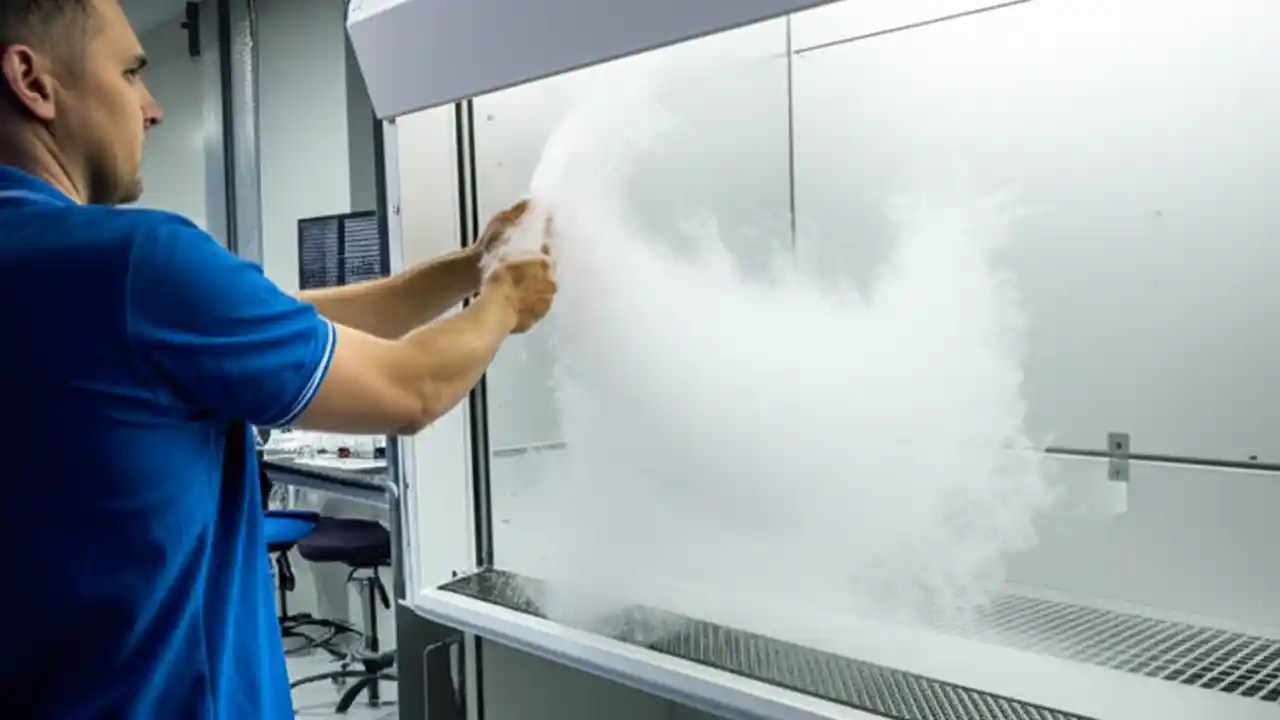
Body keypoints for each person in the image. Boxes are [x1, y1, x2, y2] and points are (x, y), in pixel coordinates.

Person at [0, 0, 556, 718]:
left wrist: (471, 267)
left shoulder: (68, 275)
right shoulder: (138, 264)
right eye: (131, 71)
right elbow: (410, 389)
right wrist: (507, 298)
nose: (152, 107)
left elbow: (287, 318)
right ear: (33, 81)